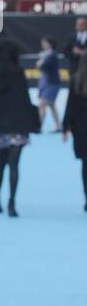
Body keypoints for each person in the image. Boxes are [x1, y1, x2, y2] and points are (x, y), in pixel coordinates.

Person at [0, 39, 38, 217]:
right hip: (17, 125)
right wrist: (31, 124)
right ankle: (11, 202)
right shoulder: (18, 73)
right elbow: (24, 100)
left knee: (0, 163)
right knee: (14, 166)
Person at [62, 50, 87, 211]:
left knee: (86, 165)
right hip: (81, 127)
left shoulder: (75, 81)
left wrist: (66, 127)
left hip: (82, 129)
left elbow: (69, 106)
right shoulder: (75, 82)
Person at [37, 37, 62, 131]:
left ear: (50, 44)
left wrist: (40, 63)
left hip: (52, 83)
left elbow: (43, 66)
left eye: (45, 42)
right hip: (45, 82)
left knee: (42, 104)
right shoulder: (44, 55)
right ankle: (59, 126)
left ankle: (38, 126)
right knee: (51, 105)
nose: (43, 44)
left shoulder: (52, 55)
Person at [64, 15, 87, 80]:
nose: (79, 26)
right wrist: (74, 53)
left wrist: (83, 53)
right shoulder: (71, 37)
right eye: (78, 24)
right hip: (74, 68)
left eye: (81, 24)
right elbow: (66, 51)